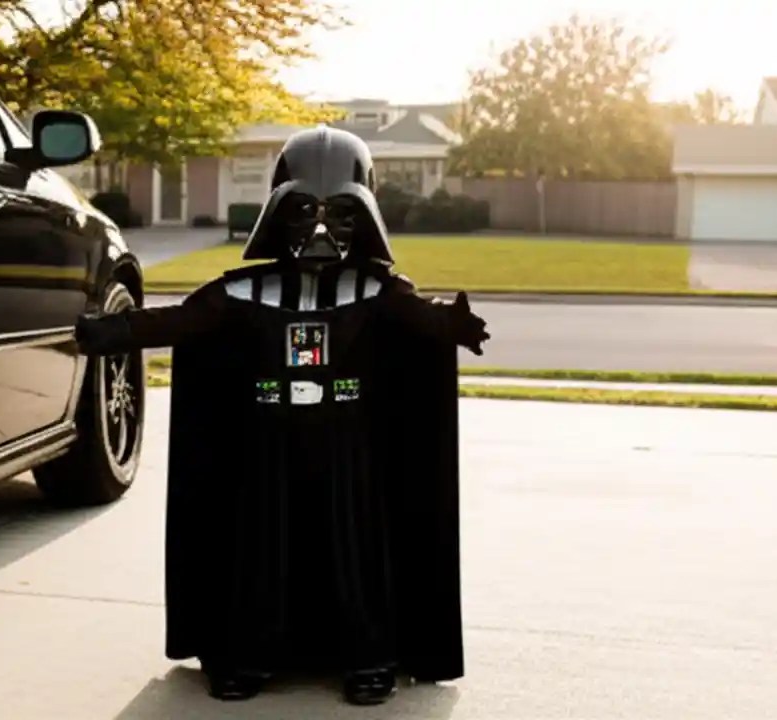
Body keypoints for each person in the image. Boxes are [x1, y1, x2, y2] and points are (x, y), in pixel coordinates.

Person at [75, 126, 489, 706]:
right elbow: (179, 323)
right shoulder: (243, 292)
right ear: (277, 213)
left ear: (364, 218)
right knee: (260, 549)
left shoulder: (377, 292)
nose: (320, 230)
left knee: (355, 551)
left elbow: (424, 321)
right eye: (302, 212)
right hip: (266, 447)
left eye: (340, 214)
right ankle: (248, 655)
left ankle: (368, 657)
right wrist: (112, 331)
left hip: (350, 450)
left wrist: (453, 326)